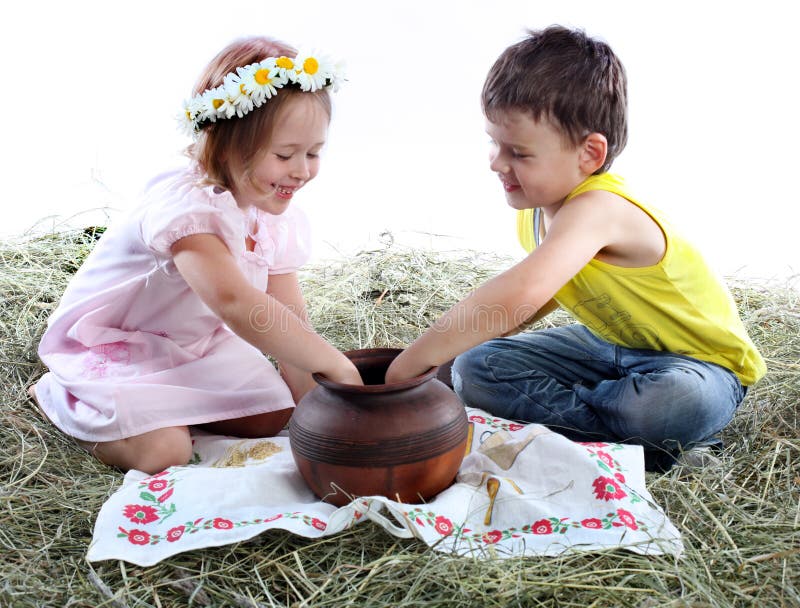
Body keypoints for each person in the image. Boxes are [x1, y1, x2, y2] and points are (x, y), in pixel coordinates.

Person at [386, 25, 766, 470]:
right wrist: (443, 365)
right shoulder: (539, 210)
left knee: (670, 404)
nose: (495, 162)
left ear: (589, 153)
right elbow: (526, 311)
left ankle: (652, 433)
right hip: (608, 347)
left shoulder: (600, 208)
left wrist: (412, 361)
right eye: (493, 142)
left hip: (696, 366)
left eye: (518, 152)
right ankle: (639, 443)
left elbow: (516, 298)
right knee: (474, 368)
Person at [29, 36, 362, 474]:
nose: (301, 170)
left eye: (314, 153)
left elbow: (289, 315)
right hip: (116, 343)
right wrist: (335, 364)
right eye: (285, 155)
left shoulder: (275, 217)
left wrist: (326, 410)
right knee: (166, 454)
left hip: (191, 346)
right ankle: (60, 396)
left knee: (272, 416)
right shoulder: (189, 209)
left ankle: (163, 408)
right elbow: (236, 304)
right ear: (227, 146)